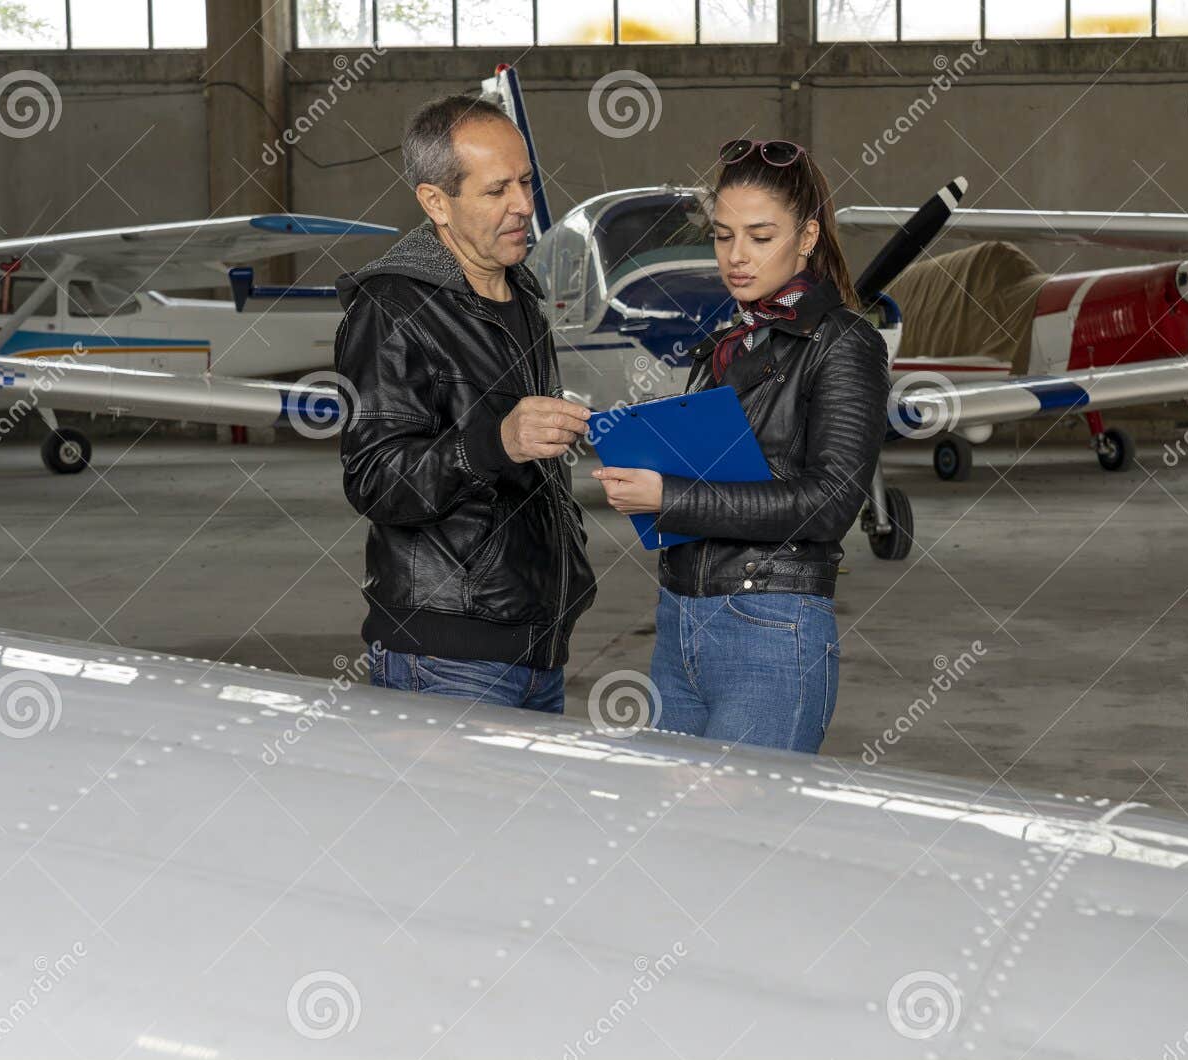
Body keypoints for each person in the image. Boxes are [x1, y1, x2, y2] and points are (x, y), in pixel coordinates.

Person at [593, 139, 889, 753]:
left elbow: (830, 503)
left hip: (773, 631)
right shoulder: (726, 340)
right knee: (678, 839)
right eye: (723, 236)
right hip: (679, 622)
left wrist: (668, 497)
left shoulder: (844, 344)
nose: (736, 257)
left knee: (746, 835)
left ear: (807, 238)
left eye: (760, 236)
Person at [335, 94, 596, 712]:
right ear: (435, 202)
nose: (524, 207)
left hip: (536, 645)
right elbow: (374, 480)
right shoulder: (392, 307)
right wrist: (495, 441)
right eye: (496, 190)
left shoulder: (521, 296)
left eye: (527, 182)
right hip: (448, 657)